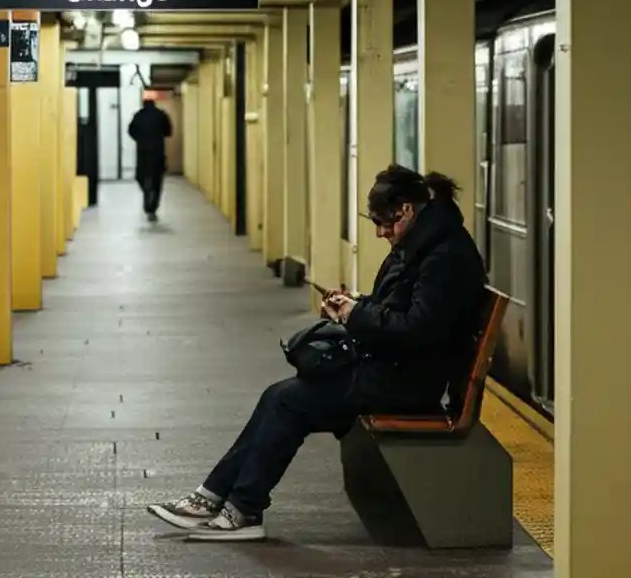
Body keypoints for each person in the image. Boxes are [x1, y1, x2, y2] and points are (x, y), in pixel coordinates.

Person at [146, 165, 487, 541]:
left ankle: (242, 510)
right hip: (394, 366)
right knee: (279, 395)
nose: (380, 232)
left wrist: (357, 315)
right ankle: (212, 498)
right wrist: (356, 305)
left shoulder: (445, 257)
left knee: (288, 401)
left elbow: (419, 329)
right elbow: (400, 310)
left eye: (383, 223)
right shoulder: (422, 244)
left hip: (409, 381)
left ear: (405, 210)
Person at [128, 96, 173, 221]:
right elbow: (169, 132)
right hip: (158, 153)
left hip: (142, 153)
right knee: (157, 181)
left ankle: (147, 194)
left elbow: (131, 131)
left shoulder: (138, 116)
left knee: (141, 177)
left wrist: (140, 139)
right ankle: (152, 207)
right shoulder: (161, 115)